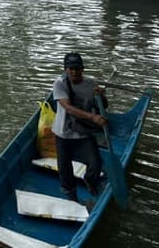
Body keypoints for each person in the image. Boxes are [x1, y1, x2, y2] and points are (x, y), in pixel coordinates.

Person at [52, 52, 107, 203]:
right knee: (64, 169)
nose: (74, 72)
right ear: (65, 69)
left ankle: (89, 180)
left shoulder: (91, 83)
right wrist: (93, 117)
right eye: (70, 69)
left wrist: (101, 96)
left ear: (82, 69)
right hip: (63, 133)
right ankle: (70, 194)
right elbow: (68, 108)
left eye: (77, 68)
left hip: (83, 132)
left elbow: (102, 106)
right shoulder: (59, 84)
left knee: (95, 164)